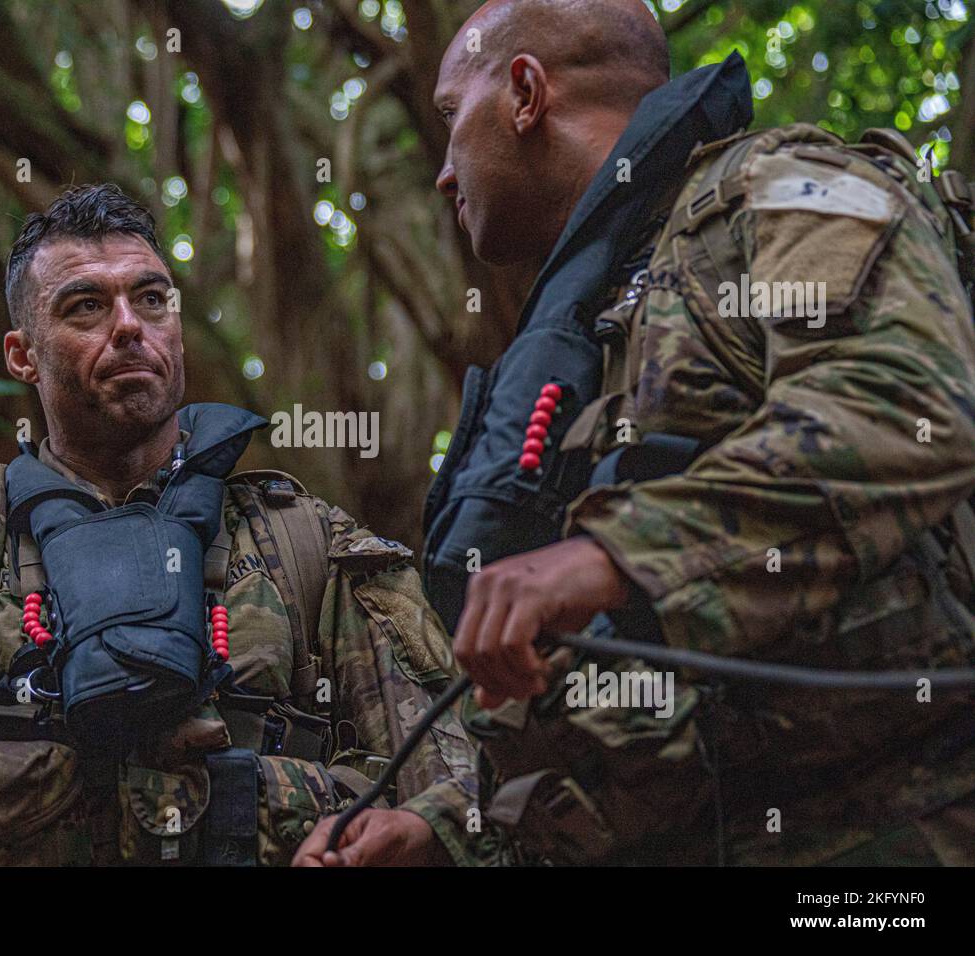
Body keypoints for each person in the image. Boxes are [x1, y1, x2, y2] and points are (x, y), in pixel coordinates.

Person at [0, 183, 486, 867]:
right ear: (22, 354)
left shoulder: (305, 547)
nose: (128, 326)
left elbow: (464, 788)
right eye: (85, 305)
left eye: (151, 300)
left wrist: (410, 834)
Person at [411, 0, 975, 865]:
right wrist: (438, 831)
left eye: (453, 119)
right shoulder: (593, 329)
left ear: (525, 93)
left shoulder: (774, 184)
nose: (445, 173)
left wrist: (612, 557)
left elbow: (908, 400)